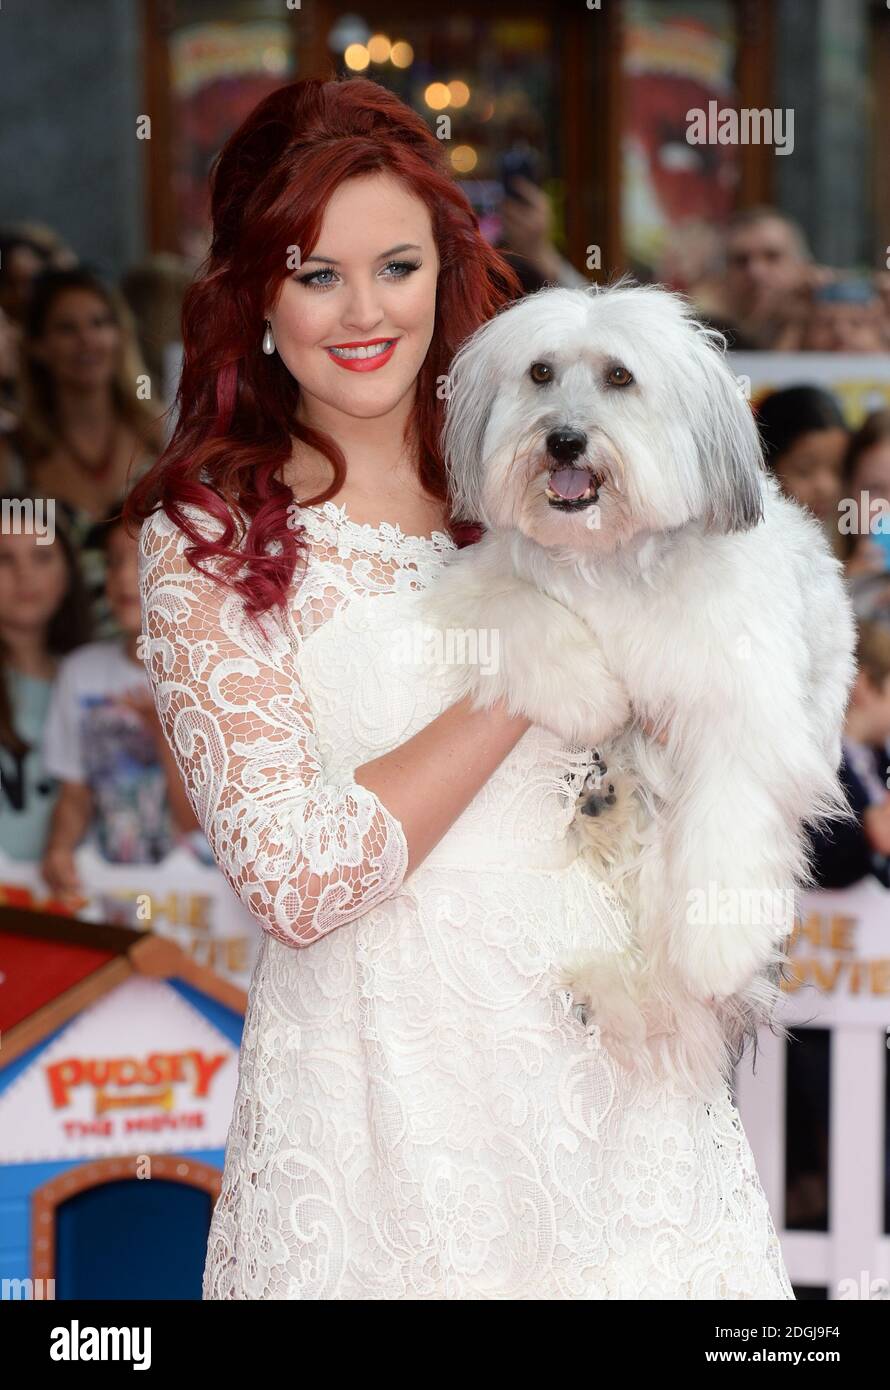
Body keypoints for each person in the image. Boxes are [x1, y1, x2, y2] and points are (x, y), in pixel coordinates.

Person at [126, 76, 793, 1301]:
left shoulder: (548, 471)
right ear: (252, 294)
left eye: (397, 265)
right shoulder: (208, 537)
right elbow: (296, 877)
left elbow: (721, 714)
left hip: (620, 1122)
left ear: (448, 270)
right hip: (382, 1131)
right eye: (314, 273)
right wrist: (528, 670)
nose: (364, 311)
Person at [40, 506, 199, 899]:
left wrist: (162, 733)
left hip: (195, 899)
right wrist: (59, 849)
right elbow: (75, 791)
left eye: (145, 559)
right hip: (109, 892)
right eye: (113, 563)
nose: (125, 578)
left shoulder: (209, 680)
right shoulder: (81, 672)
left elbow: (198, 826)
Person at [12, 267, 165, 635]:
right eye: (67, 328)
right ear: (37, 347)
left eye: (100, 323)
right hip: (60, 666)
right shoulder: (16, 454)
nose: (87, 340)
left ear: (120, 335)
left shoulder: (161, 436)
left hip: (160, 655)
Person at [0, 505, 91, 861]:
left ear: (69, 573)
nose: (25, 575)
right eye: (4, 558)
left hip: (75, 900)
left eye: (41, 557)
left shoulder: (91, 676)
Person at [806, 620, 890, 890]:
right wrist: (868, 834)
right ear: (864, 683)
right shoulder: (814, 756)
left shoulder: (878, 760)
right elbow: (813, 854)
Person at [755, 385, 849, 556]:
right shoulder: (754, 552)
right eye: (804, 470)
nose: (826, 487)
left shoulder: (858, 539)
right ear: (765, 467)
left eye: (838, 469)